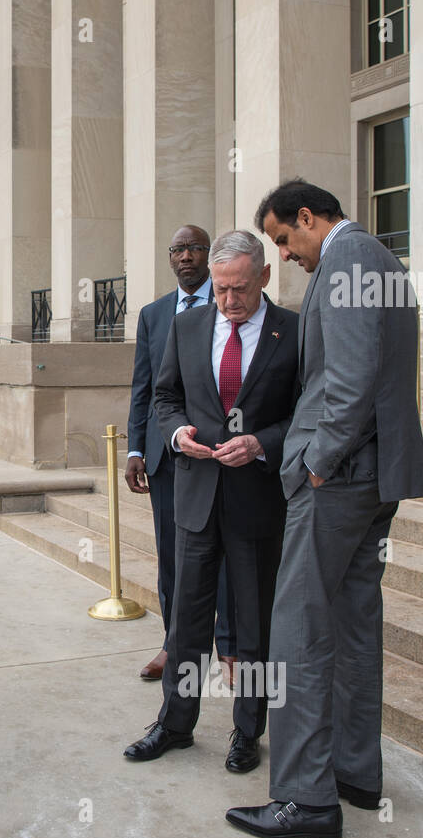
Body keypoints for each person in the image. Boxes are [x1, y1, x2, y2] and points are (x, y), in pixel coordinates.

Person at [226, 180, 423, 838]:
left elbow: (349, 378)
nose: (283, 254)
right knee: (353, 621)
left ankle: (304, 798)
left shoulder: (346, 259)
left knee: (299, 632)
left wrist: (316, 461)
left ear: (309, 218)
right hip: (378, 476)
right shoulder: (384, 259)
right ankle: (353, 772)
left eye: (285, 239)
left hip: (338, 480)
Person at [123, 231, 299, 773]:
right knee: (187, 621)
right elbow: (165, 396)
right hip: (196, 497)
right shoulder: (186, 324)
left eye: (240, 289)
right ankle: (175, 724)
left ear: (265, 277)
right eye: (221, 290)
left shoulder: (293, 332)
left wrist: (261, 443)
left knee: (252, 626)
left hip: (256, 504)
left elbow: (303, 414)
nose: (229, 301)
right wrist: (176, 436)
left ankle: (248, 731)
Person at [126, 225, 237, 684]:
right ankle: (174, 644)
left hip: (219, 455)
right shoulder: (153, 314)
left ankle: (230, 648)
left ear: (208, 256)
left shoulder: (231, 302)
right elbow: (145, 386)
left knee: (229, 555)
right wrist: (136, 446)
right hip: (168, 458)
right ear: (169, 258)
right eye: (177, 250)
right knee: (172, 556)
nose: (185, 257)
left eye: (194, 248)